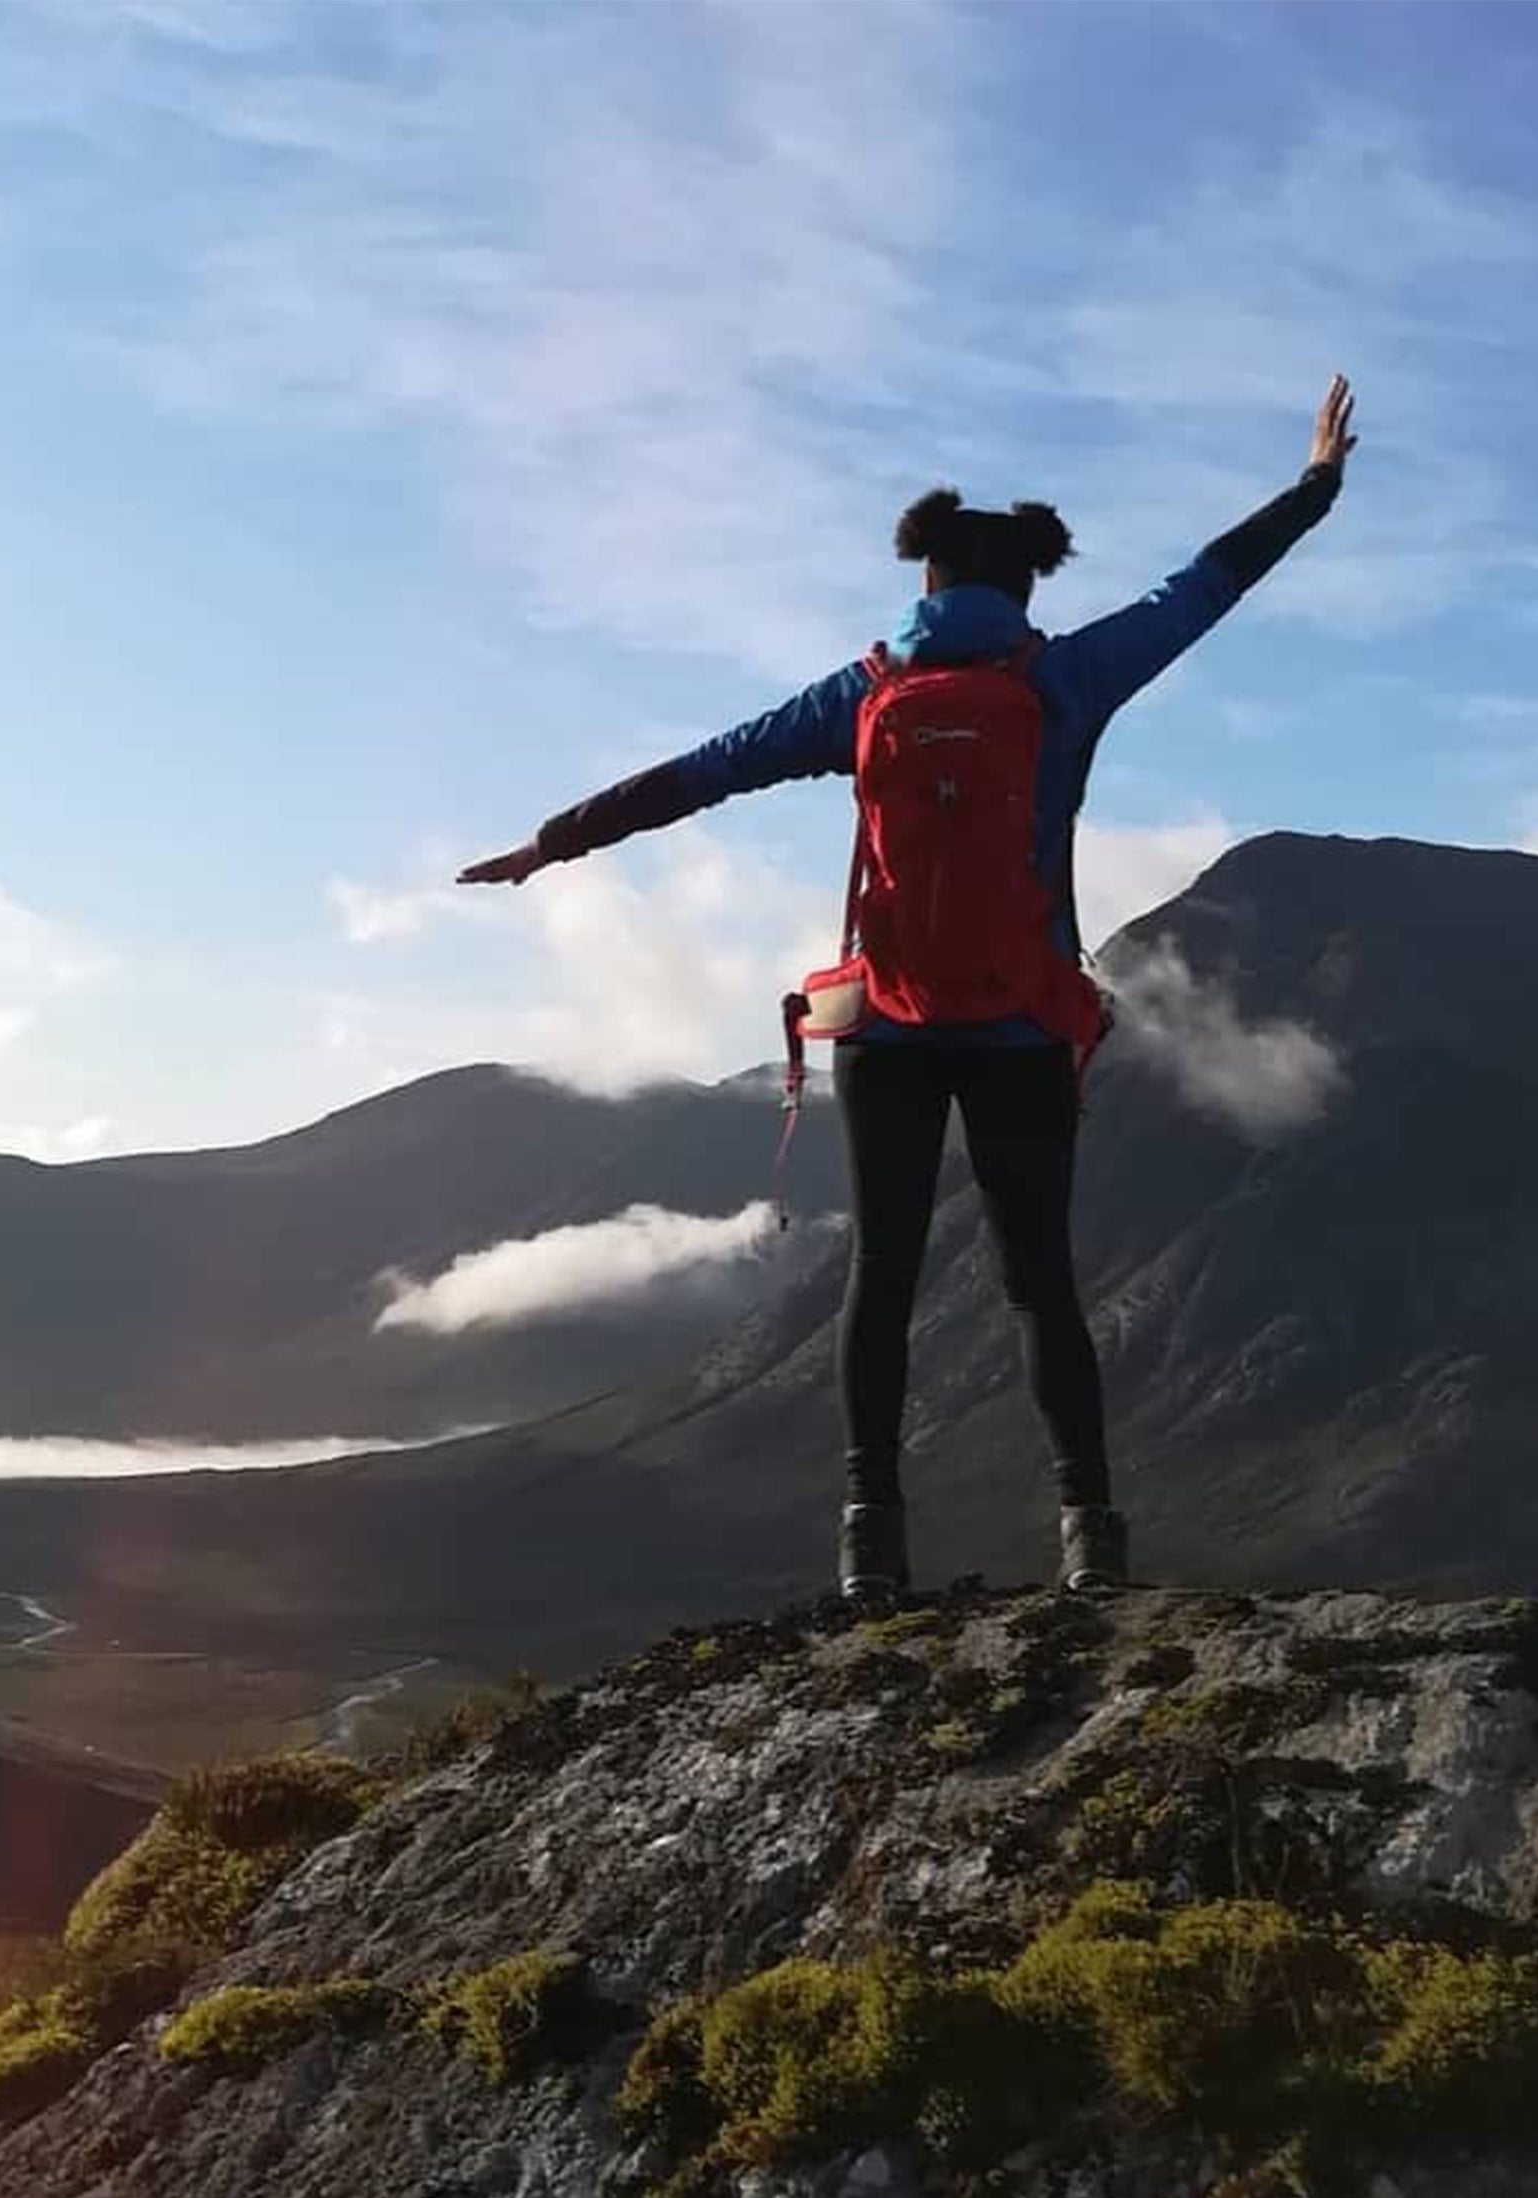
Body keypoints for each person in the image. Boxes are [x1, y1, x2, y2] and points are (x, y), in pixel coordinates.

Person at [460, 374, 1359, 1602]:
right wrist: (1312, 487)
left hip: (882, 1028)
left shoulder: (864, 696)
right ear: (1028, 589)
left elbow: (703, 771)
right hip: (1021, 1029)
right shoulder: (1068, 683)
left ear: (922, 584)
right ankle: (1089, 1533)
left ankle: (867, 1540)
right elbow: (1201, 587)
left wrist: (552, 843)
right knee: (1038, 1281)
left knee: (878, 1277)